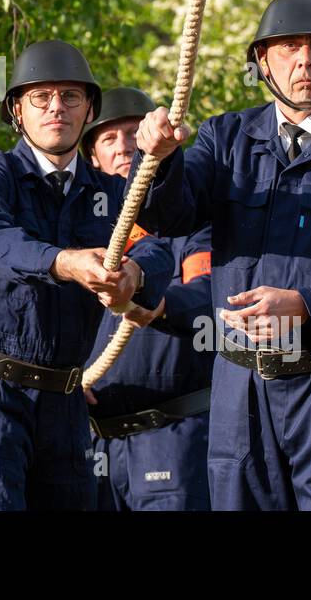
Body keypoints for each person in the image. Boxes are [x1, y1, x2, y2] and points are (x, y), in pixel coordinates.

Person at [132, 0, 311, 510]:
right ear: (262, 62)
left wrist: (307, 306)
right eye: (288, 46)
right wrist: (159, 160)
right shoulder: (225, 138)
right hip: (237, 398)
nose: (304, 59)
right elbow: (171, 215)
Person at [0, 40, 187, 510]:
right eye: (41, 97)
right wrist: (64, 262)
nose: (56, 108)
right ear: (17, 110)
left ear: (88, 109)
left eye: (70, 97)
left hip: (64, 405)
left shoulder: (111, 193)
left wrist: (134, 272)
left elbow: (156, 249)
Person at [80, 86, 214, 511]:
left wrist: (159, 306)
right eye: (107, 139)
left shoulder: (188, 221)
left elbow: (213, 297)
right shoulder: (75, 237)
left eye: (131, 134)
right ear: (92, 158)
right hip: (93, 447)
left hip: (172, 438)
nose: (122, 148)